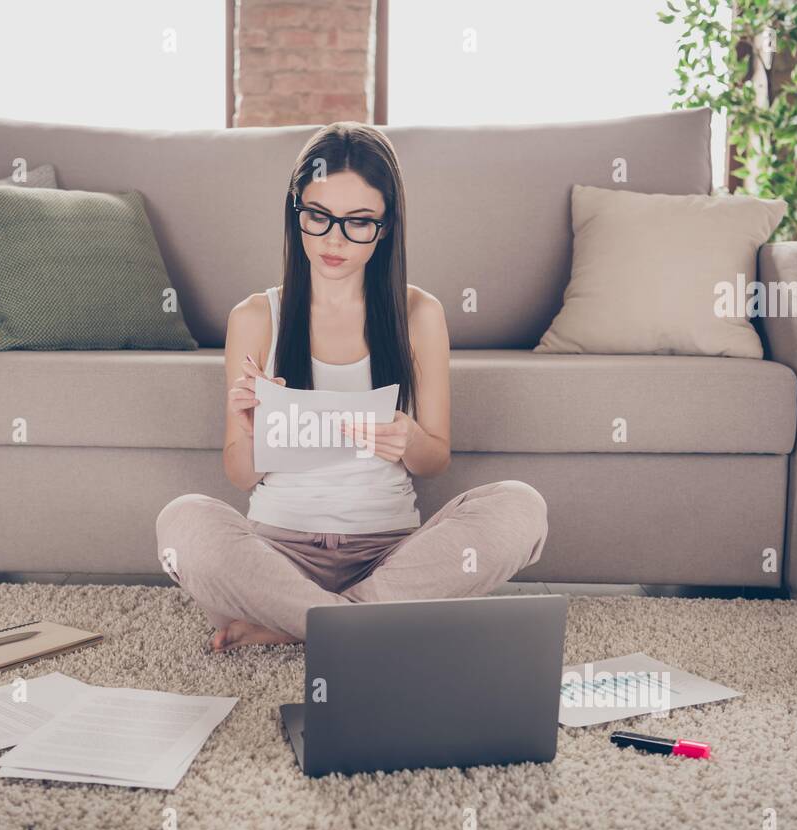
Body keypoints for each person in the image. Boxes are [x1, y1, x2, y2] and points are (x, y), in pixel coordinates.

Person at [156, 121, 547, 652]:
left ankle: (304, 626)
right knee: (182, 522)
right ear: (296, 214)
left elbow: (435, 458)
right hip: (277, 558)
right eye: (318, 217)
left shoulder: (418, 314)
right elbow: (239, 474)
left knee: (520, 507)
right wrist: (251, 429)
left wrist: (410, 440)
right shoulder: (255, 317)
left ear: (385, 228)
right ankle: (364, 624)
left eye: (359, 222)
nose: (334, 240)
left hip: (389, 557)